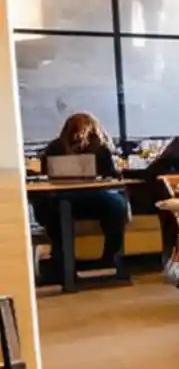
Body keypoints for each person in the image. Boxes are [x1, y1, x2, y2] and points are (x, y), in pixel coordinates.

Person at [34, 113, 129, 279]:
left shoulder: (55, 147)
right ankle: (109, 259)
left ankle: (62, 265)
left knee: (58, 211)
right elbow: (111, 175)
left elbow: (45, 175)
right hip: (95, 200)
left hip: (64, 199)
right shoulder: (99, 146)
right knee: (118, 204)